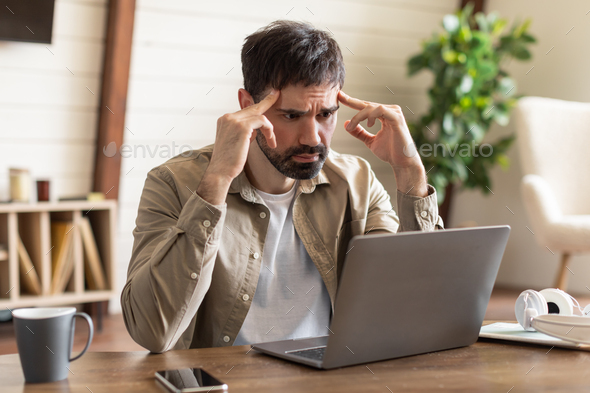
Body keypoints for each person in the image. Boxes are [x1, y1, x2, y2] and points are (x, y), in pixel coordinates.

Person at [121, 20, 443, 353]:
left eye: (325, 115)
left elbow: (408, 303)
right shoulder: (173, 182)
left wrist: (410, 172)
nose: (313, 138)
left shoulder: (356, 181)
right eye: (291, 116)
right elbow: (152, 332)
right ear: (247, 105)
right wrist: (216, 182)